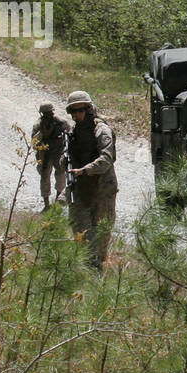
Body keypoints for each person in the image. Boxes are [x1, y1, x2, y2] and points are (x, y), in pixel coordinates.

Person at [63, 90, 118, 268]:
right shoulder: (73, 132)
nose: (77, 115)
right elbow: (66, 158)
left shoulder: (101, 130)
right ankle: (86, 266)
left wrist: (86, 170)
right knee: (79, 228)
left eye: (80, 110)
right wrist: (65, 161)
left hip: (102, 186)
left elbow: (107, 159)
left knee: (101, 231)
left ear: (89, 109)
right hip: (81, 186)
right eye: (73, 112)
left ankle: (97, 269)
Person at [31, 103, 70, 210]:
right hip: (45, 153)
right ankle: (47, 204)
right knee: (45, 176)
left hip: (58, 152)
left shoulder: (61, 122)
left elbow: (69, 135)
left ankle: (57, 199)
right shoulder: (39, 125)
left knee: (60, 174)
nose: (49, 114)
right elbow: (34, 141)